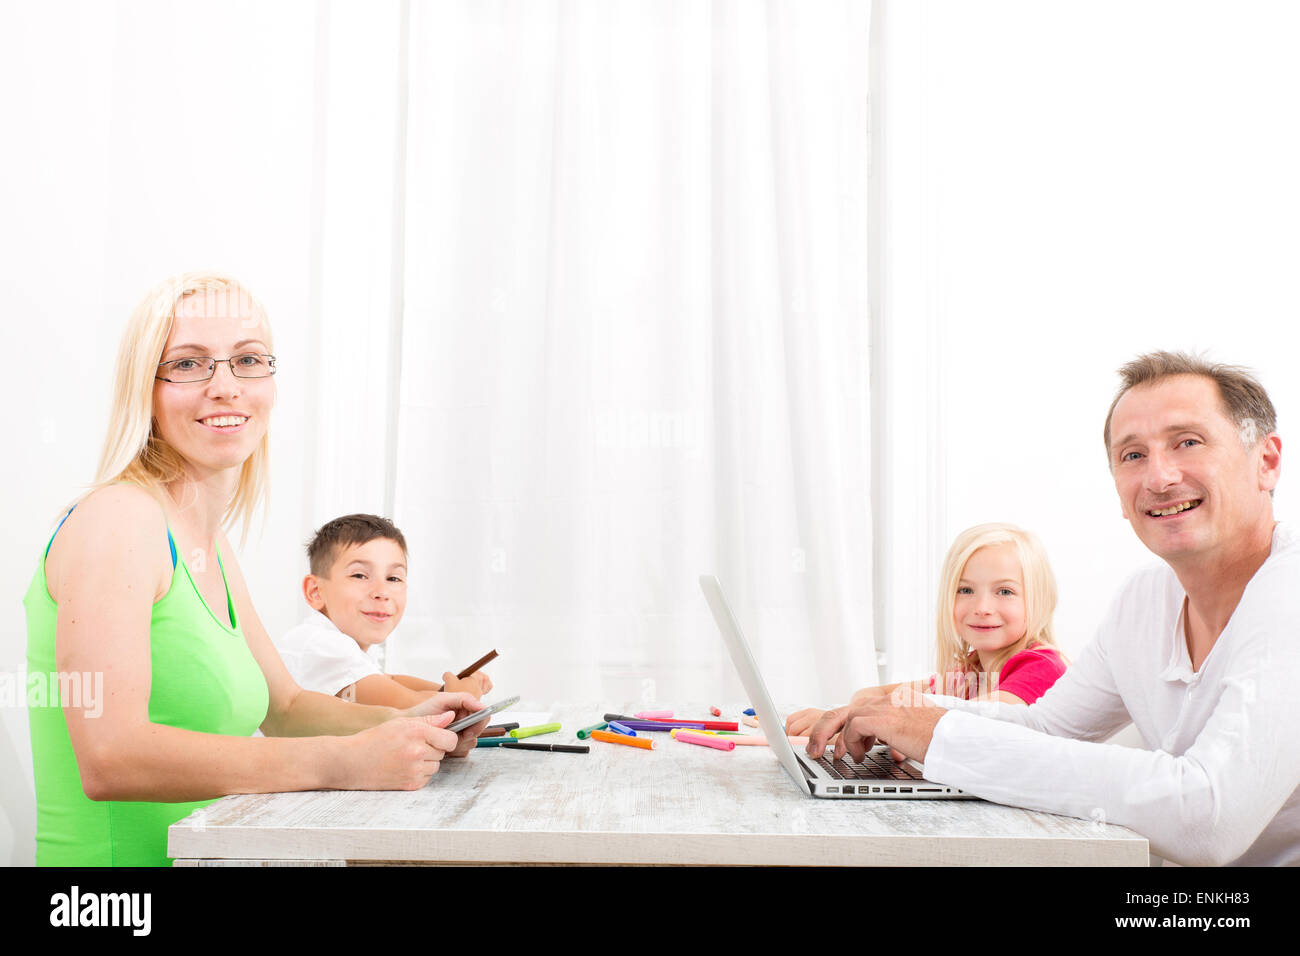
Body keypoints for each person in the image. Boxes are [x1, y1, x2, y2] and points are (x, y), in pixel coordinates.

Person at [24, 273, 488, 867]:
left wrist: (410, 722)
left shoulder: (206, 543)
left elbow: (286, 709)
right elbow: (111, 755)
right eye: (189, 364)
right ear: (146, 387)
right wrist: (343, 761)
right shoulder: (117, 520)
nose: (225, 387)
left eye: (247, 360)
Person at [807, 351, 1300, 866]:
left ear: (1266, 462)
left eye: (1188, 443)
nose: (1159, 477)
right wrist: (898, 716)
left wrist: (939, 734)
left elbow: (1207, 820)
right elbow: (1046, 728)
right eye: (1132, 455)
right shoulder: (1144, 599)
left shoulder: (1291, 595)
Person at [786, 523, 1067, 739]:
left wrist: (859, 718)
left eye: (1004, 591)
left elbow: (980, 719)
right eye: (965, 590)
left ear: (1038, 599)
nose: (982, 607)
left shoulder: (1040, 666)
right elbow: (873, 696)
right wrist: (843, 717)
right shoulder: (969, 672)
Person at [277, 513, 493, 705]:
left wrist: (445, 688)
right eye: (359, 575)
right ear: (315, 591)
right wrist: (463, 694)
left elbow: (388, 681)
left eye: (393, 578)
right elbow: (412, 707)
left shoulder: (343, 648)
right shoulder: (320, 645)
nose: (381, 592)